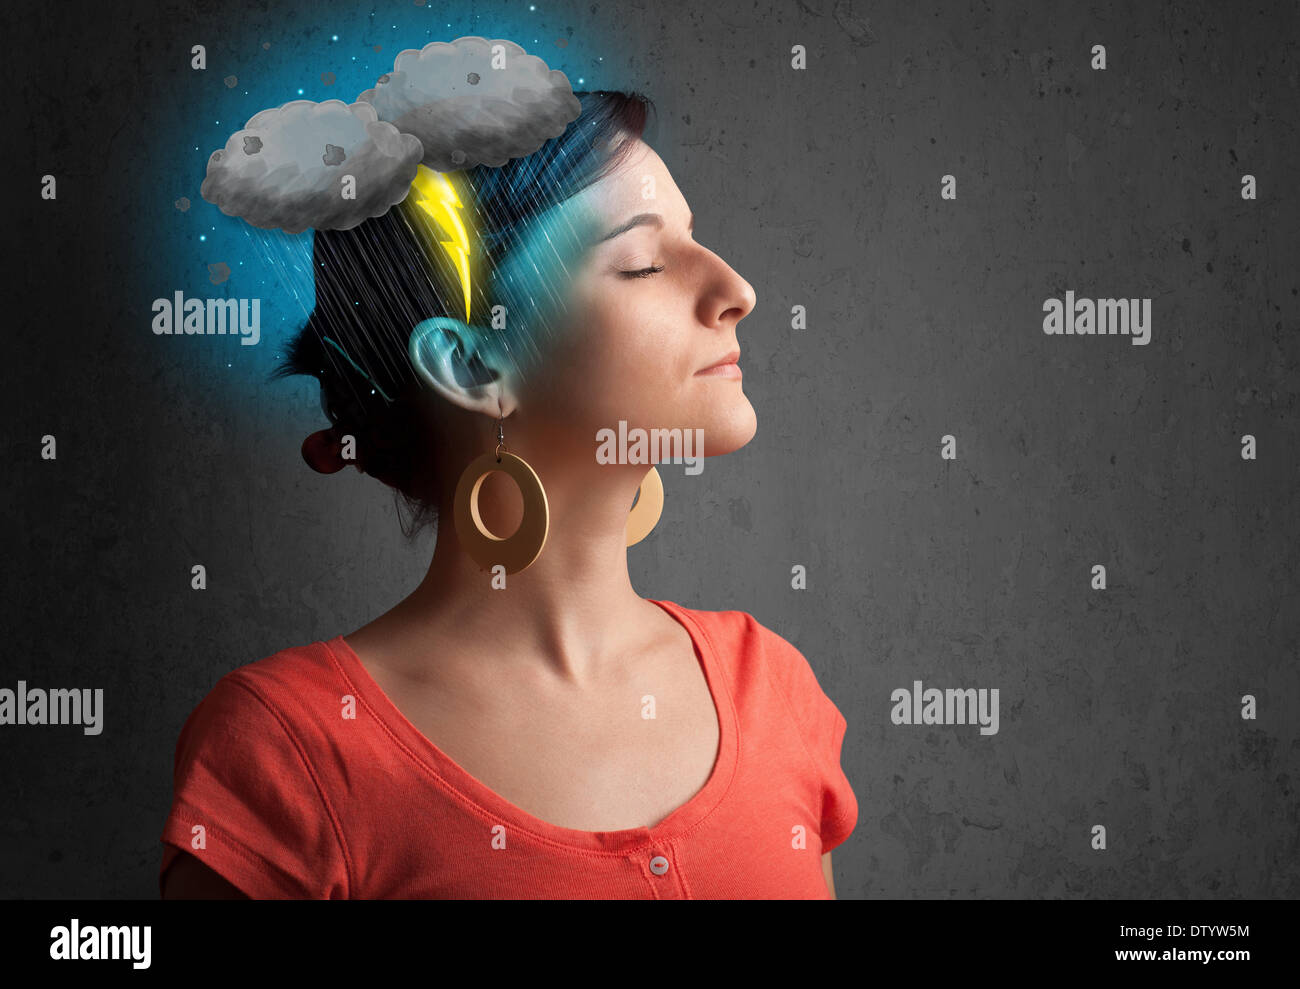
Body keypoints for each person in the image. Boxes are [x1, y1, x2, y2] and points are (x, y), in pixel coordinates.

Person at [160, 90, 857, 899]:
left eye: (695, 238)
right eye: (643, 263)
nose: (738, 289)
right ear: (472, 365)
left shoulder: (771, 687)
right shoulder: (289, 749)